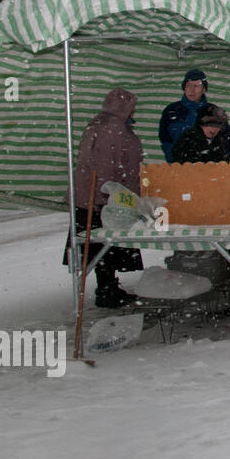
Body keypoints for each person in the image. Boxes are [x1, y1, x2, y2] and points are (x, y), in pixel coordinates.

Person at [64, 87, 145, 308]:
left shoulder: (99, 123)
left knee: (98, 245)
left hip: (92, 196)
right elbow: (105, 166)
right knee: (105, 245)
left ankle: (107, 286)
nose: (134, 111)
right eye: (132, 107)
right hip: (102, 198)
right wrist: (110, 194)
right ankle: (107, 290)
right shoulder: (112, 128)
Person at [158, 68, 230, 163]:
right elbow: (165, 138)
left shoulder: (213, 111)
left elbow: (228, 138)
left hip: (210, 166)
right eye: (188, 85)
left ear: (204, 89)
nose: (192, 90)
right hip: (179, 165)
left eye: (196, 86)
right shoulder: (172, 110)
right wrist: (173, 159)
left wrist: (228, 160)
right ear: (184, 88)